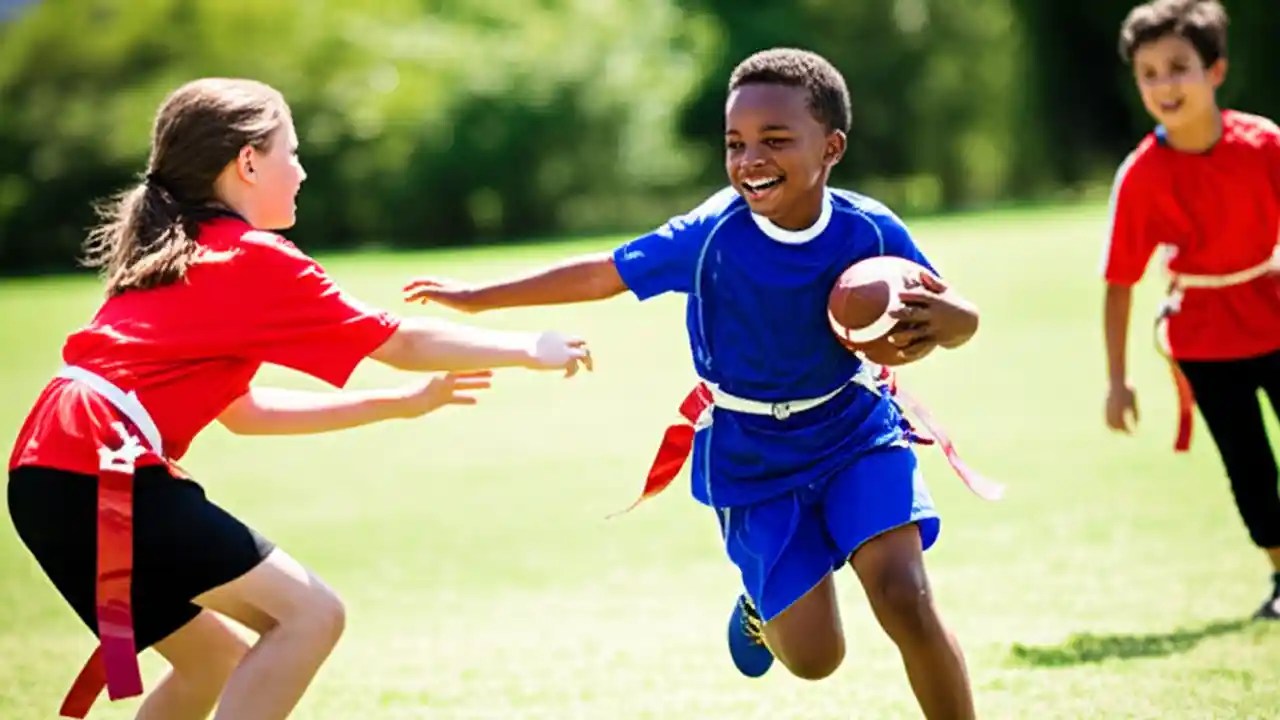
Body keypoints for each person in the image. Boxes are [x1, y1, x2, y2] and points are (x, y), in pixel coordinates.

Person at [404, 48, 981, 719]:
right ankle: (764, 605)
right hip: (753, 453)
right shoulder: (711, 235)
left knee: (904, 597)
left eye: (775, 141)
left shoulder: (870, 230)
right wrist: (478, 297)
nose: (750, 160)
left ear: (832, 147)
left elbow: (956, 318)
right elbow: (603, 273)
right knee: (818, 659)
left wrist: (953, 318)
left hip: (854, 429)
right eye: (736, 144)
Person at [7, 77, 592, 720]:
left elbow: (247, 413)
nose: (303, 171)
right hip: (99, 465)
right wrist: (528, 348)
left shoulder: (170, 256)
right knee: (311, 614)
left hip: (46, 472)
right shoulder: (250, 258)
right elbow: (398, 339)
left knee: (212, 661)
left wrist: (401, 403)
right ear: (249, 162)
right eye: (292, 151)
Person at [1101, 0, 1280, 619]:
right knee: (1250, 467)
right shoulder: (1142, 176)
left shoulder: (1265, 146)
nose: (1164, 84)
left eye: (1178, 67)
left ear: (1216, 70)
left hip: (1274, 313)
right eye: (1148, 73)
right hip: (1204, 340)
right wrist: (1118, 381)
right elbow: (1119, 282)